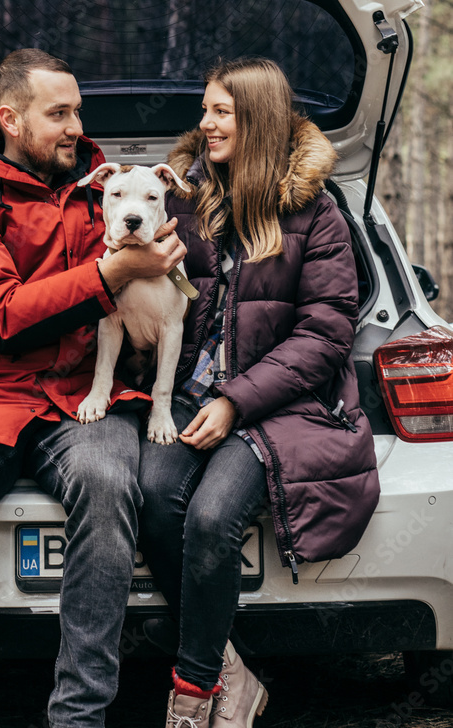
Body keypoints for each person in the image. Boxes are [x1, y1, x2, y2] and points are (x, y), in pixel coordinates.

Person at [0, 48, 186, 728]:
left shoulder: (101, 190)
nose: (77, 127)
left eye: (77, 111)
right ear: (11, 119)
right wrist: (110, 275)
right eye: (59, 114)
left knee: (109, 488)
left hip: (78, 393)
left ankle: (79, 714)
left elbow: (162, 268)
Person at [138, 57, 380, 728]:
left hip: (282, 406)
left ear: (260, 120)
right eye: (206, 109)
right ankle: (231, 672)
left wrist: (236, 401)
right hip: (192, 393)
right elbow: (152, 293)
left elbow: (326, 334)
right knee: (152, 494)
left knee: (212, 517)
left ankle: (192, 692)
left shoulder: (317, 214)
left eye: (222, 112)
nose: (205, 123)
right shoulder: (182, 199)